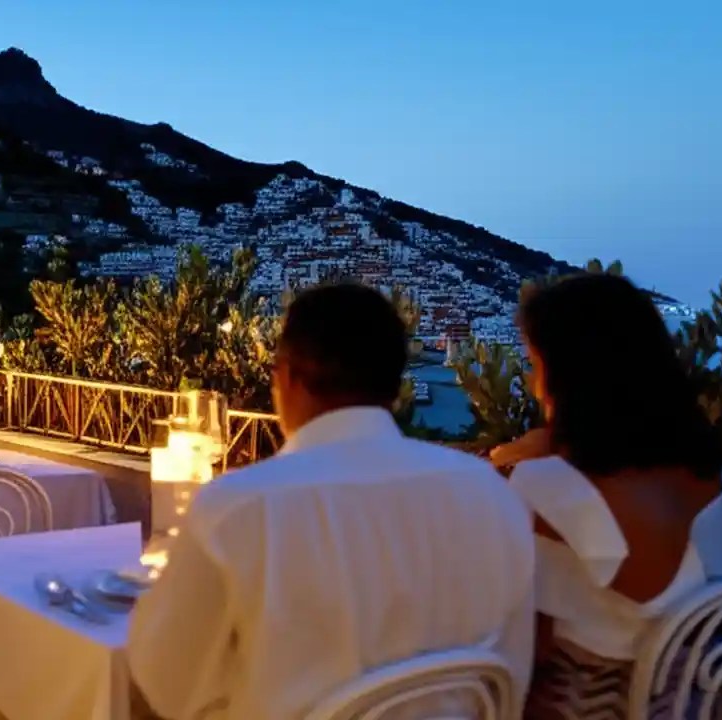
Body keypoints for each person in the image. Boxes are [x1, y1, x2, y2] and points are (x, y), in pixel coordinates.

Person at [127, 282, 536, 720]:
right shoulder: (492, 496)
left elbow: (164, 682)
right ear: (395, 388)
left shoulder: (238, 509)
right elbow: (512, 672)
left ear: (285, 378)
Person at [500, 274, 722, 719]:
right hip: (699, 697)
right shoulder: (712, 475)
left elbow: (525, 641)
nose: (534, 386)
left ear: (570, 374)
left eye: (536, 366)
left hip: (593, 704)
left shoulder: (545, 483)